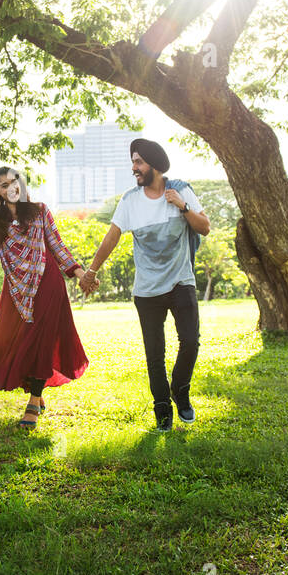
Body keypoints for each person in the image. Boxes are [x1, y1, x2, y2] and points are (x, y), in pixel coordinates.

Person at [80, 139, 210, 431]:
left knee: (190, 341)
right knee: (155, 352)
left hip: (181, 282)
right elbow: (111, 237)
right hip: (147, 290)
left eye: (138, 162)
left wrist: (182, 205)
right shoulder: (130, 201)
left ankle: (180, 388)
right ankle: (162, 405)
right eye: (133, 162)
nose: (133, 167)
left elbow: (204, 226)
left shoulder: (180, 189)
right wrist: (91, 271)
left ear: (154, 164)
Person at [0, 167, 95, 429]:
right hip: (16, 292)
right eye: (3, 184)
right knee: (20, 343)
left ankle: (33, 402)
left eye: (14, 181)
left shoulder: (40, 211)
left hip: (48, 285)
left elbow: (58, 246)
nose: (11, 187)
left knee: (41, 341)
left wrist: (80, 274)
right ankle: (38, 391)